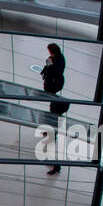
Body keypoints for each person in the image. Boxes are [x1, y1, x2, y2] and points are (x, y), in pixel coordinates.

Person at [42, 43, 68, 174]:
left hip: (53, 135)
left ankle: (56, 167)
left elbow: (52, 70)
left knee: (52, 147)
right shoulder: (58, 59)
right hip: (53, 133)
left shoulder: (56, 61)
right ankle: (55, 166)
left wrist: (49, 65)